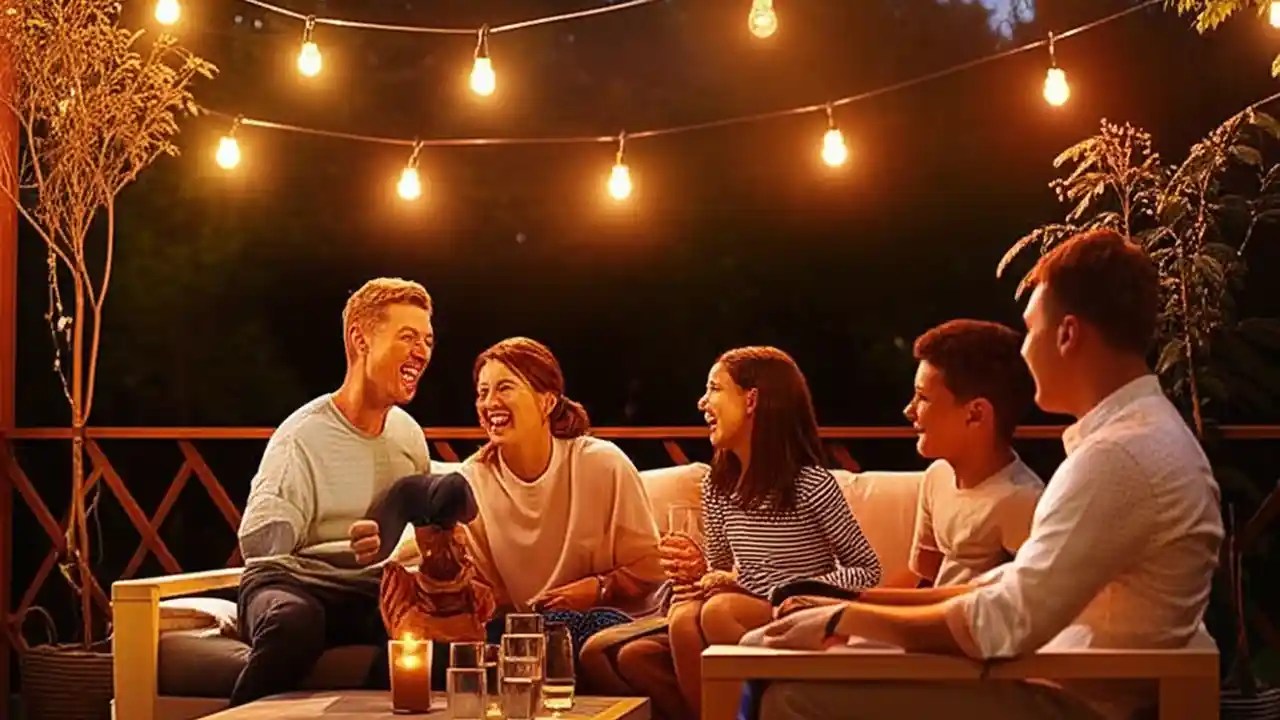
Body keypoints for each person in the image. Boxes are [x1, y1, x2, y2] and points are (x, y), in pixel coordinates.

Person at [750, 229, 1224, 720]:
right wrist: (848, 604)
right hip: (1058, 671)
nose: (1025, 351)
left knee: (790, 698)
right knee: (806, 669)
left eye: (1031, 330)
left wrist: (845, 619)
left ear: (1067, 334)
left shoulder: (1119, 455)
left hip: (1071, 698)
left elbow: (1004, 621)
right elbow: (1012, 586)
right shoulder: (1142, 435)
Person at [596, 346, 882, 719]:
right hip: (740, 606)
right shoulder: (717, 487)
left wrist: (775, 587)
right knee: (671, 626)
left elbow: (866, 571)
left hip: (796, 610)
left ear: (751, 400)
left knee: (718, 611)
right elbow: (722, 569)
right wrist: (697, 574)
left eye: (714, 388)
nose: (702, 402)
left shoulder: (809, 484)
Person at [231, 277, 435, 706]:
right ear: (360, 340)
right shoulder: (301, 436)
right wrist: (341, 543)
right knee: (294, 624)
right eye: (408, 337)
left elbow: (423, 530)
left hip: (367, 590)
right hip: (291, 582)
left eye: (428, 340)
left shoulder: (409, 436)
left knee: (427, 629)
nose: (422, 351)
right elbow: (260, 548)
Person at [459, 336, 665, 622]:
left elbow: (651, 567)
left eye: (504, 388)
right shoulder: (470, 481)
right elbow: (479, 588)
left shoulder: (601, 463)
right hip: (520, 629)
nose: (490, 402)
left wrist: (599, 589)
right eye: (483, 392)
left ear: (547, 402)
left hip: (610, 621)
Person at [896, 319, 1043, 589]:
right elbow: (923, 578)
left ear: (975, 414)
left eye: (923, 397)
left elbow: (1032, 599)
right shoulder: (937, 477)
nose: (909, 410)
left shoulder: (1021, 500)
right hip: (931, 611)